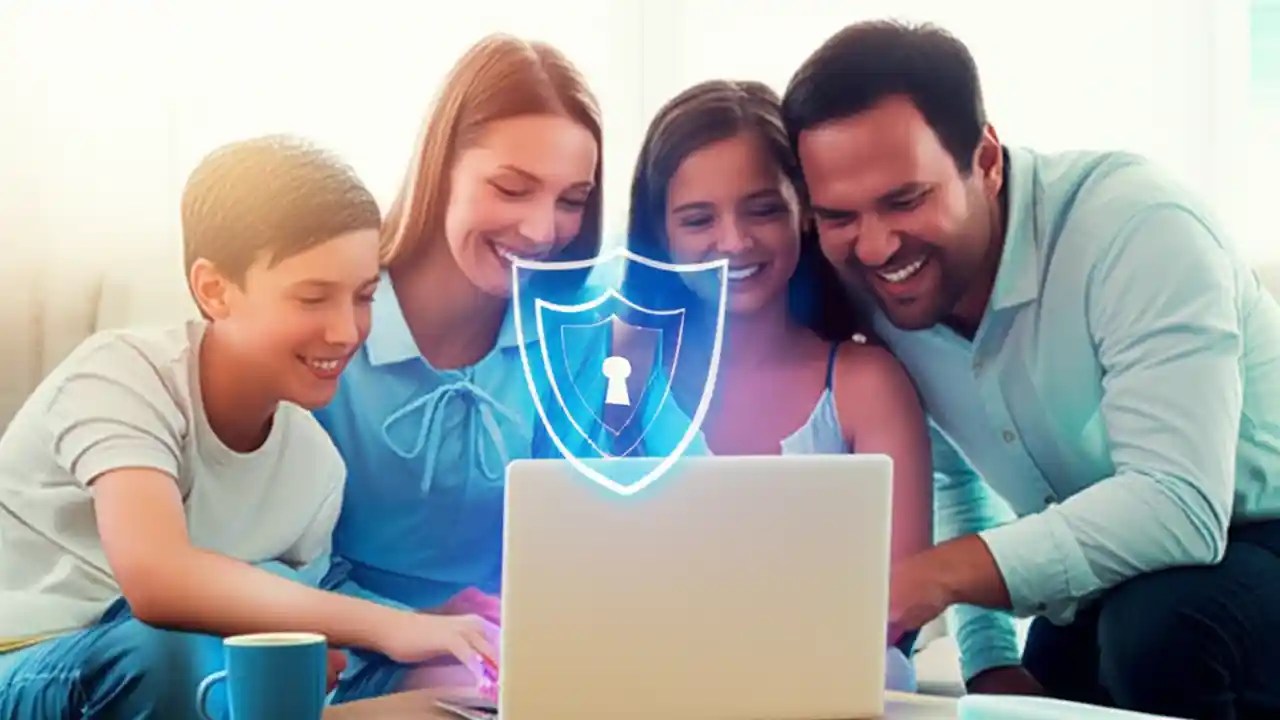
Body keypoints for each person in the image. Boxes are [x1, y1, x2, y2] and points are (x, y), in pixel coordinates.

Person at [781, 19, 1280, 719]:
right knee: (1042, 695)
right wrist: (988, 662)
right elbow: (956, 473)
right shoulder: (877, 284)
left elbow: (1180, 505)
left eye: (905, 200)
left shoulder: (1137, 228)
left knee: (1157, 635)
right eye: (839, 215)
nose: (874, 245)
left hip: (1250, 534)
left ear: (985, 158)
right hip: (1120, 573)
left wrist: (936, 577)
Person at [0, 136, 497, 718]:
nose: (346, 331)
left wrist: (431, 633)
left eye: (364, 297)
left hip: (200, 666)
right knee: (174, 652)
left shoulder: (313, 458)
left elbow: (310, 602)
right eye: (312, 298)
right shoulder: (121, 374)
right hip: (39, 656)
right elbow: (159, 579)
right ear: (215, 290)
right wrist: (383, 626)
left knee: (443, 680)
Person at [617, 79, 933, 691]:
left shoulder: (865, 385)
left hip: (828, 681)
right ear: (661, 235)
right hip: (656, 678)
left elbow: (899, 600)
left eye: (762, 209)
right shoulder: (628, 367)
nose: (733, 241)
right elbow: (589, 550)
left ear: (805, 214)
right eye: (698, 219)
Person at [311, 34, 604, 692]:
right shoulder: (332, 320)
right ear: (441, 168)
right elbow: (270, 554)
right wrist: (409, 620)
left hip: (506, 652)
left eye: (571, 200)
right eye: (511, 188)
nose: (541, 230)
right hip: (340, 646)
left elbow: (576, 533)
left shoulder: (573, 332)